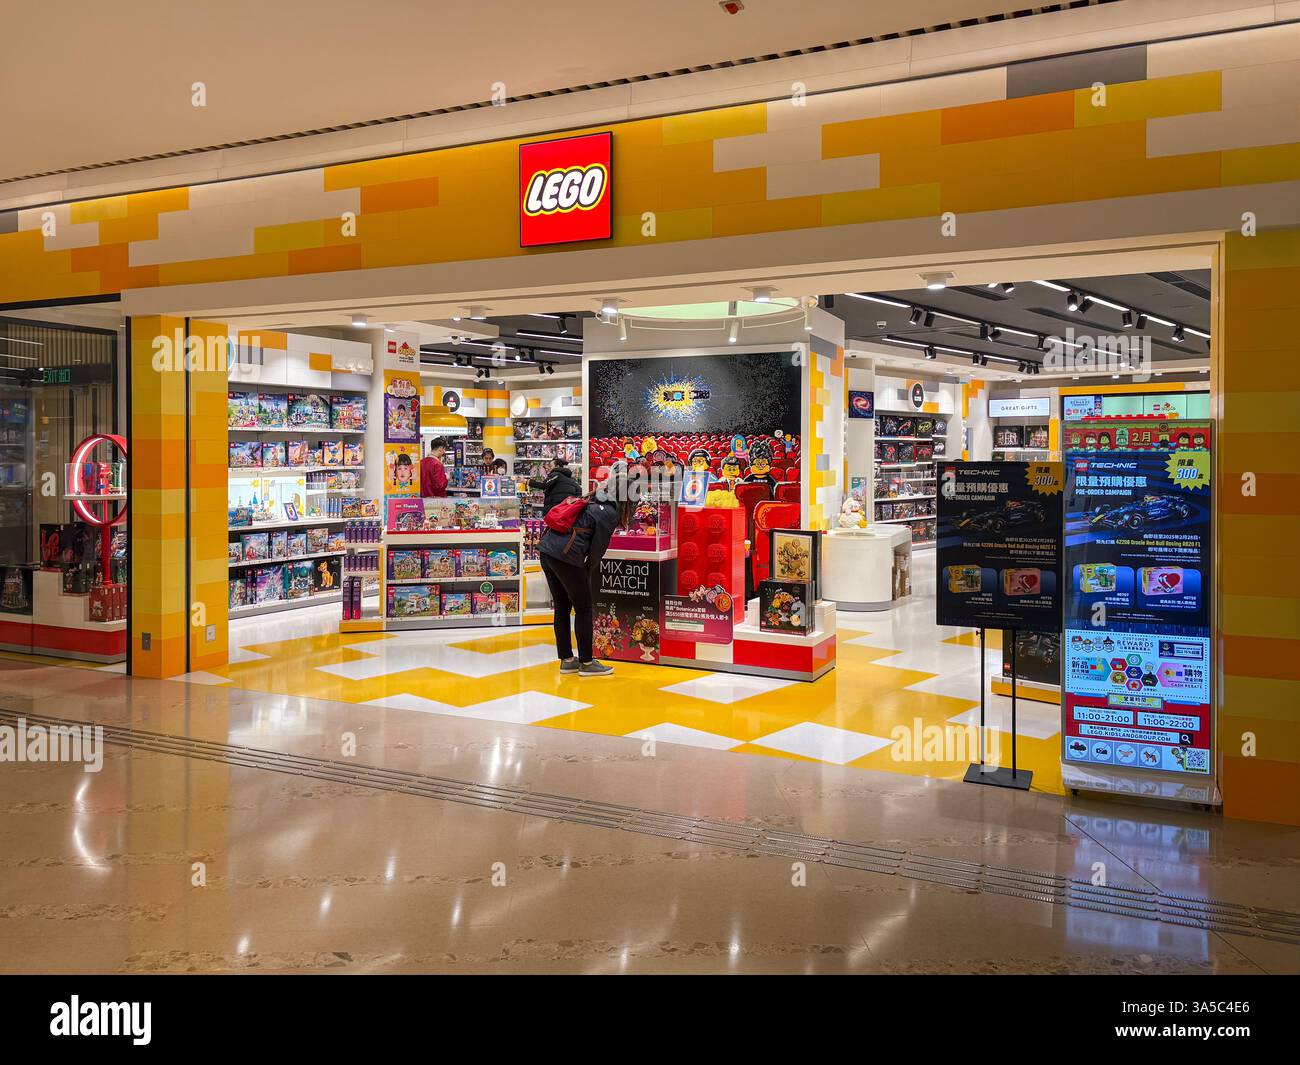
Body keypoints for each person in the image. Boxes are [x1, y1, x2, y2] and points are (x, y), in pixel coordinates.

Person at [538, 472, 634, 678]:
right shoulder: (608, 512)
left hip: (547, 551)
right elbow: (597, 550)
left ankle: (567, 660)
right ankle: (587, 663)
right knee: (584, 607)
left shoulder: (590, 499)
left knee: (562, 607)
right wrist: (586, 574)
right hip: (565, 557)